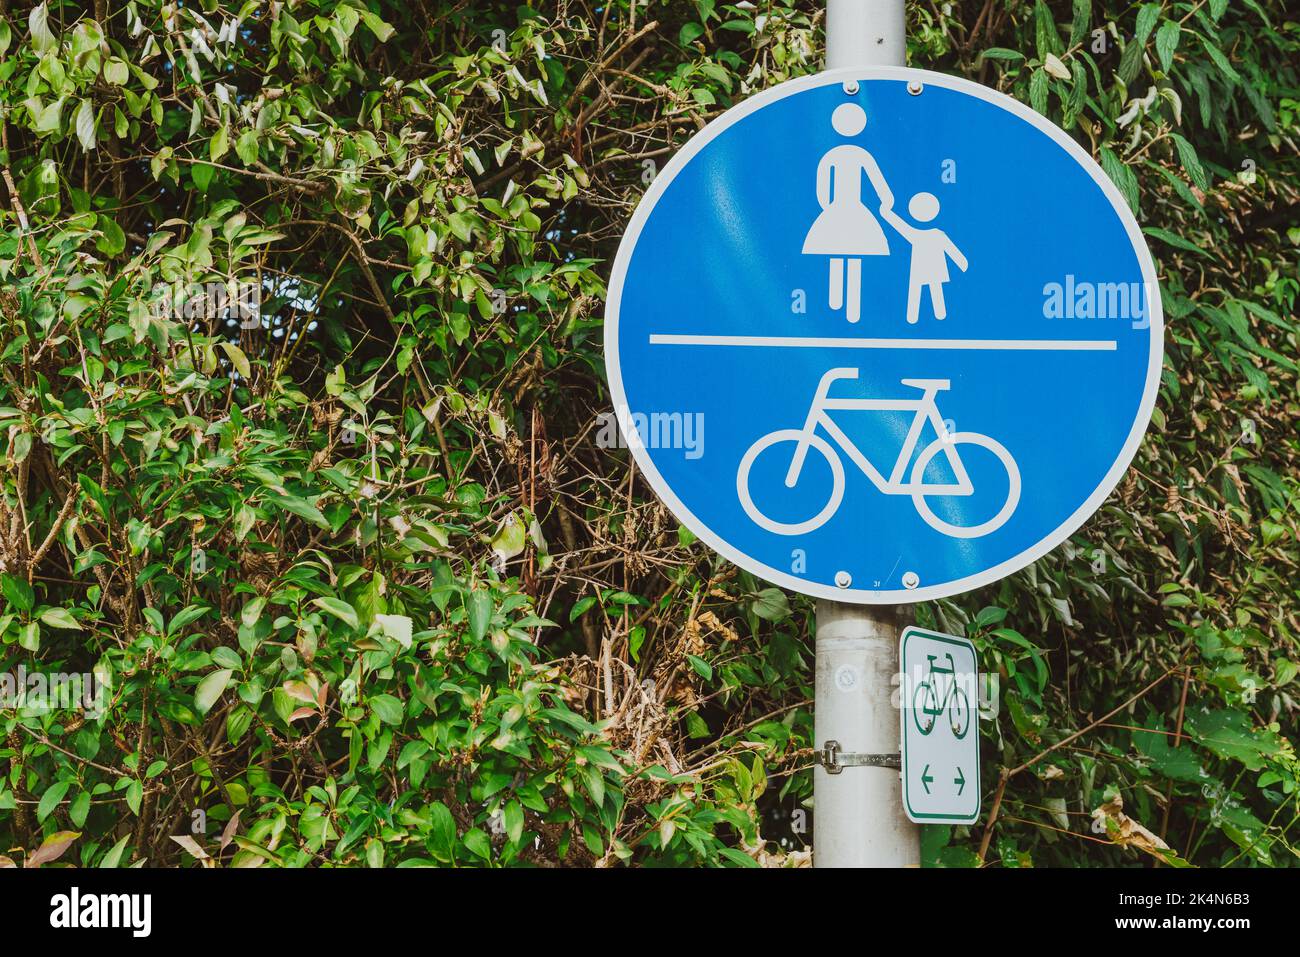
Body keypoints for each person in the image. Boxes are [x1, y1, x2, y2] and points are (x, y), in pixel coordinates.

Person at [802, 103, 895, 323]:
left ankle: (841, 305)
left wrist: (827, 207)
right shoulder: (858, 155)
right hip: (852, 210)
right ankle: (845, 308)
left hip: (839, 209)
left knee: (840, 251)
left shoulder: (833, 155)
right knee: (853, 253)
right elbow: (878, 182)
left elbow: (822, 188)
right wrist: (886, 200)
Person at [879, 192, 968, 324]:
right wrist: (962, 264)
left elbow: (900, 226)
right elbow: (953, 251)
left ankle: (917, 318)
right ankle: (921, 317)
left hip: (924, 269)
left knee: (923, 290)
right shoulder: (934, 234)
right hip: (927, 269)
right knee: (929, 290)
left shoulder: (918, 235)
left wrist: (886, 213)